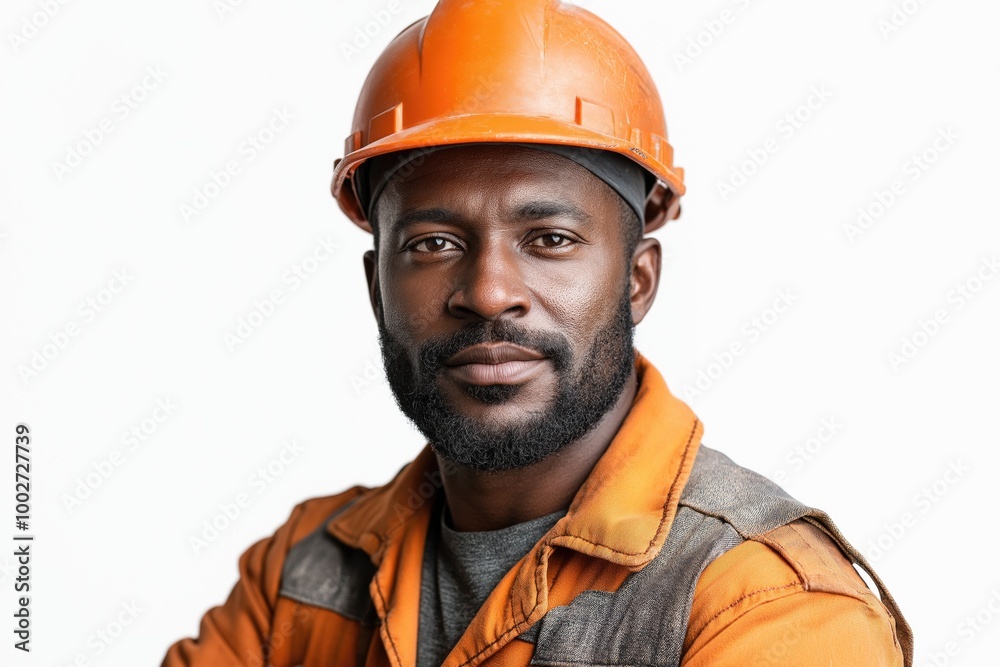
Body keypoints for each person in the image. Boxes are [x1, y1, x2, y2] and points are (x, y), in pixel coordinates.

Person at [163, 1, 912, 665]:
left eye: (549, 238)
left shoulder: (766, 606)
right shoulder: (301, 575)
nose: (489, 293)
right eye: (433, 243)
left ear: (638, 280)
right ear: (375, 289)